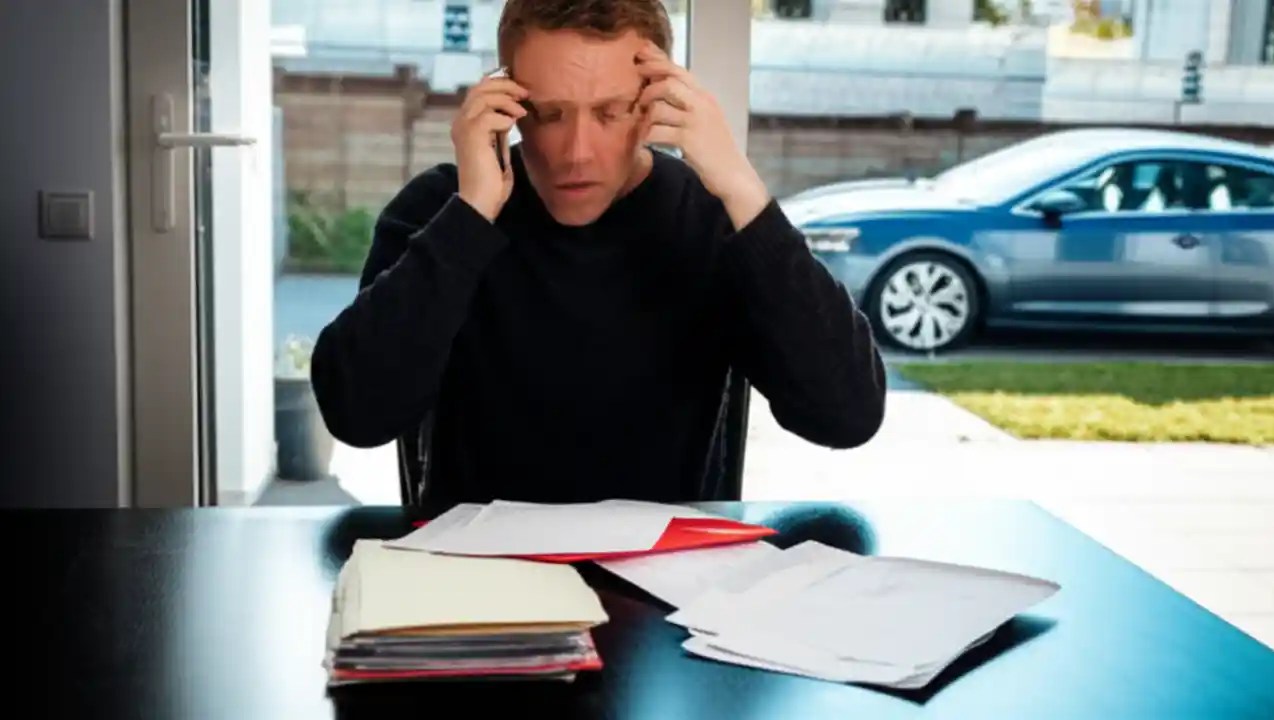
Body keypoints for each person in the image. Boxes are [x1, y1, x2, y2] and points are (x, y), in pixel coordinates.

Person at [310, 0, 886, 506]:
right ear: (506, 103)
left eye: (611, 112)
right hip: (482, 589)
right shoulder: (443, 209)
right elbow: (358, 416)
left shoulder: (715, 219)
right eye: (550, 114)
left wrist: (740, 187)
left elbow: (847, 415)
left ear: (657, 102)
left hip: (671, 590)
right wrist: (470, 216)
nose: (577, 153)